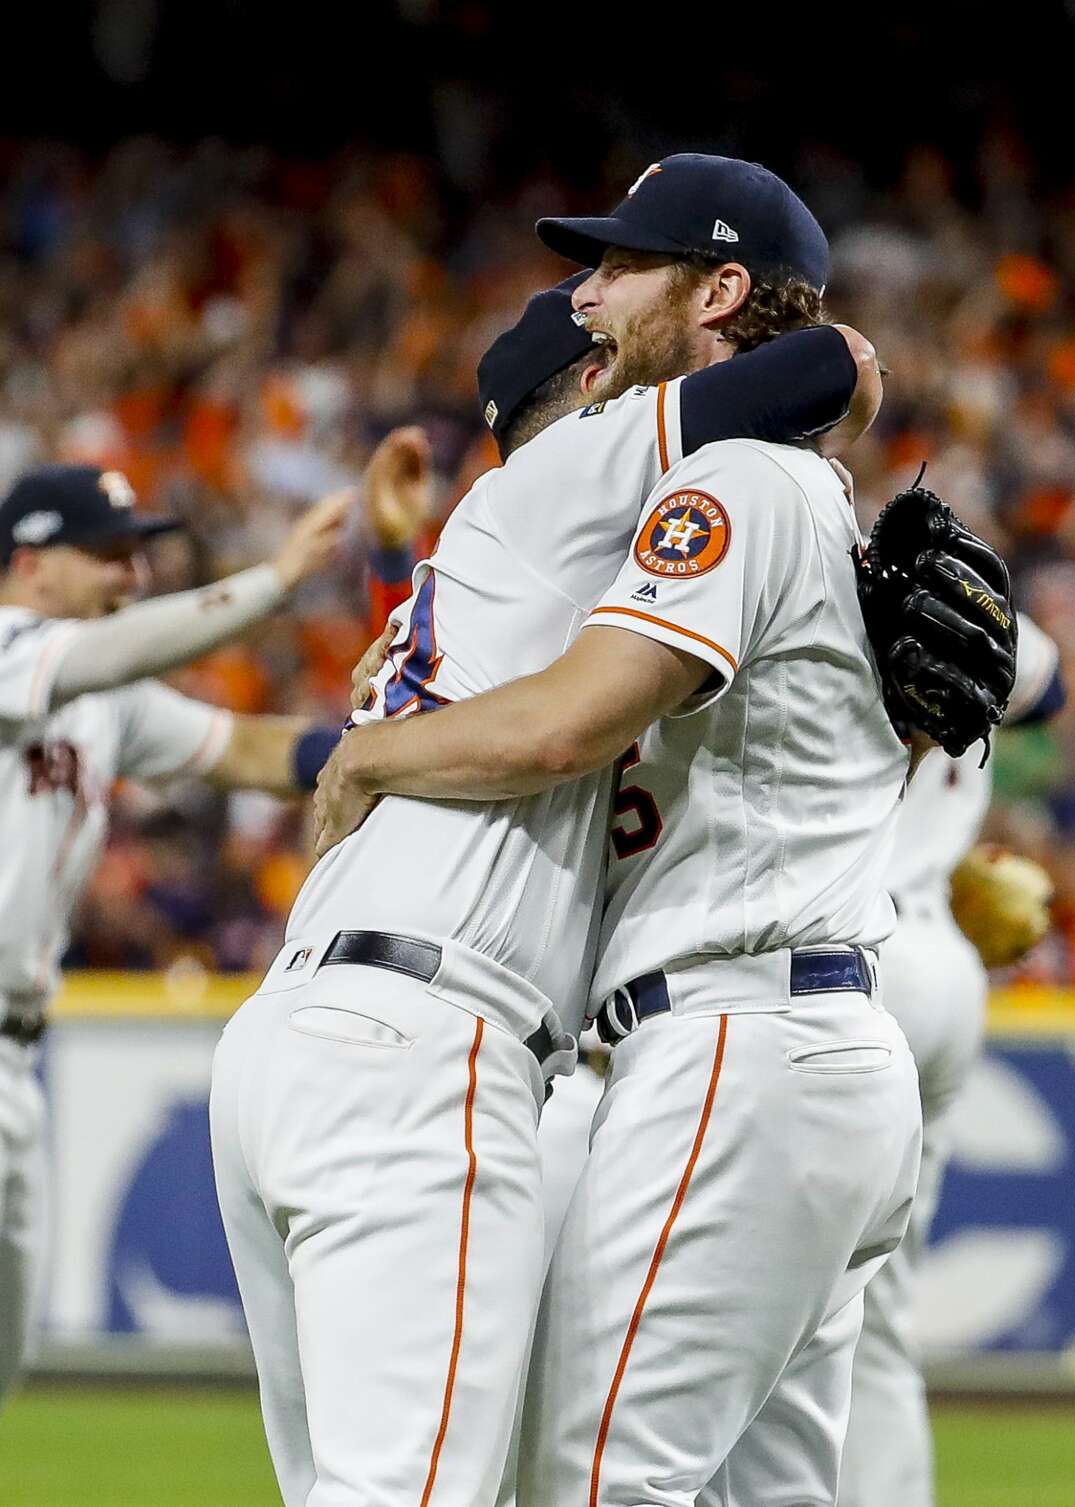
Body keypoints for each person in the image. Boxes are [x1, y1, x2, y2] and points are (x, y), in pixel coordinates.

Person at [211, 153, 883, 1507]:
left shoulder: (498, 548)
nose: (590, 301)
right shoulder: (586, 469)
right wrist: (369, 753)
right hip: (421, 1035)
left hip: (305, 1032)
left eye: (617, 269)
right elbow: (834, 366)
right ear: (577, 402)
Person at [0, 463, 349, 1408]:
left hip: (19, 1057)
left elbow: (248, 750)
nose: (131, 575)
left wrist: (394, 734)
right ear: (29, 563)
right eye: (109, 554)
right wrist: (275, 580)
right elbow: (107, 657)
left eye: (137, 554)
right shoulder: (12, 645)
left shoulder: (102, 696)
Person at [839, 614, 1063, 1507]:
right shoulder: (958, 581)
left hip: (846, 950)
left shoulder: (786, 559)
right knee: (878, 1324)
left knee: (776, 1309)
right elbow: (1051, 690)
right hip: (940, 963)